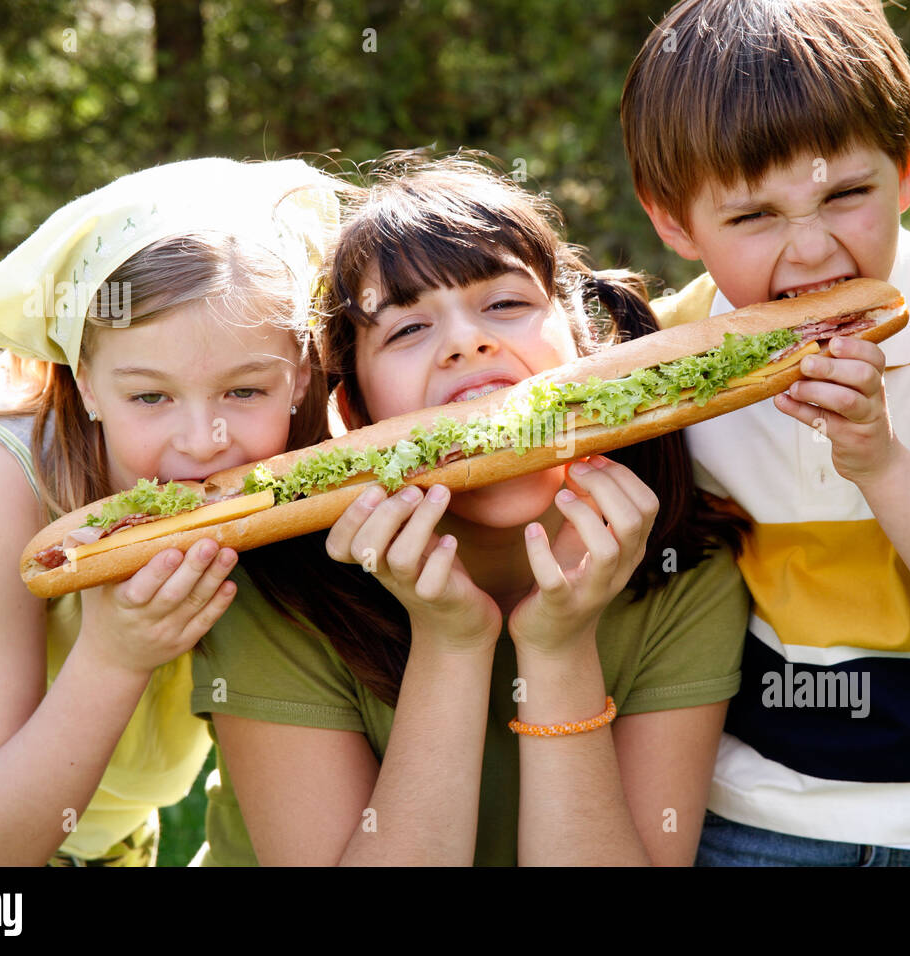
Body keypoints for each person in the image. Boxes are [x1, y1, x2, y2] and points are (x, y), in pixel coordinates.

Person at [190, 154, 749, 866]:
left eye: (506, 304)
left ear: (583, 344)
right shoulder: (278, 590)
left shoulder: (682, 571)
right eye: (406, 330)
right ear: (353, 413)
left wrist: (559, 650)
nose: (465, 341)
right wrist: (450, 641)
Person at [621, 0, 910, 866]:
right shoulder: (668, 360)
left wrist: (878, 460)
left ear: (906, 169)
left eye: (847, 195)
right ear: (674, 221)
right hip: (759, 822)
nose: (810, 251)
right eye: (752, 217)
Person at [0, 157, 340, 865]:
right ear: (85, 383)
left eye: (244, 392)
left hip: (100, 832)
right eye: (150, 397)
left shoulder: (309, 472)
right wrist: (115, 654)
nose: (202, 441)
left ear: (301, 374)